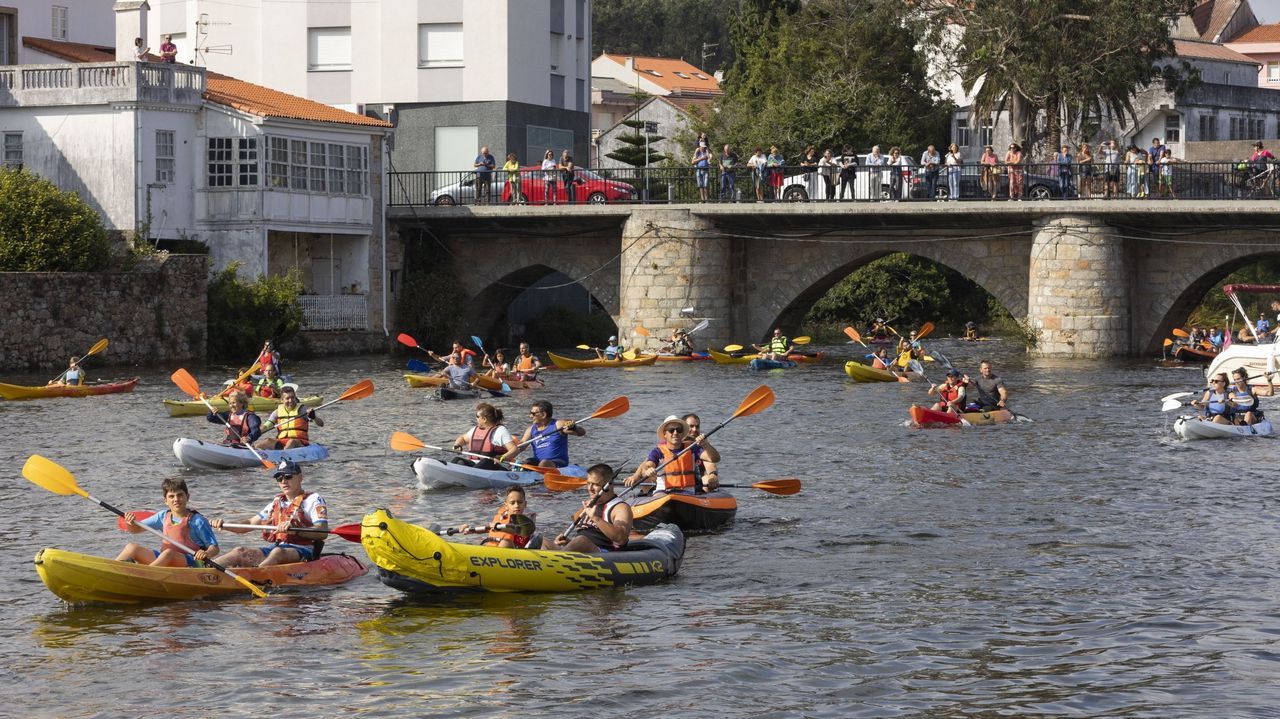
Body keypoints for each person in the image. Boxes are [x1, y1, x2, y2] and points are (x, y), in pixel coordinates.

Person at [212, 460, 328, 566]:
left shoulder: (313, 499)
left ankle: (257, 575)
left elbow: (322, 531)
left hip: (304, 550)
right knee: (239, 551)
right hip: (277, 548)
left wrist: (295, 530)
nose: (284, 481)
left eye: (288, 476)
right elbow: (250, 523)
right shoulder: (276, 503)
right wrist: (225, 525)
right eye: (279, 478)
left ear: (300, 477)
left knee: (278, 552)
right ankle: (204, 569)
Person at [116, 478, 219, 567]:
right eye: (171, 496)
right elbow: (136, 530)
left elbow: (214, 548)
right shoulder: (162, 516)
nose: (176, 499)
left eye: (180, 495)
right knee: (132, 548)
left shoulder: (197, 521)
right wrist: (130, 524)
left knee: (169, 553)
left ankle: (145, 574)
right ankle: (112, 569)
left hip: (192, 563)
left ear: (187, 497)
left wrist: (205, 553)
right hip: (165, 559)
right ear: (165, 500)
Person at [548, 464, 632, 553]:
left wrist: (596, 518)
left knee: (581, 541)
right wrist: (569, 543)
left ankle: (556, 559)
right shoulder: (588, 505)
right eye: (588, 483)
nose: (590, 488)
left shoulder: (620, 508)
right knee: (543, 541)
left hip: (607, 555)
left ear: (609, 486)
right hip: (585, 550)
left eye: (595, 484)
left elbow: (621, 538)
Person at [624, 415, 719, 493]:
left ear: (682, 432)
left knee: (706, 479)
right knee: (647, 479)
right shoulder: (659, 449)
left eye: (679, 430)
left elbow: (712, 460)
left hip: (688, 489)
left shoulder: (694, 447)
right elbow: (647, 464)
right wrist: (642, 473)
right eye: (671, 430)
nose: (675, 433)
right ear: (665, 434)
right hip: (664, 491)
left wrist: (713, 474)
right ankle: (645, 494)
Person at [504, 400, 585, 468]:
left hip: (558, 462)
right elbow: (521, 447)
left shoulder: (558, 424)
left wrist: (574, 428)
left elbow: (581, 433)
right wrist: (505, 456)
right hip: (538, 461)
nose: (530, 416)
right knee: (525, 463)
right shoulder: (530, 430)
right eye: (530, 413)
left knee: (544, 463)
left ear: (543, 415)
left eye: (533, 414)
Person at [460, 486, 536, 549]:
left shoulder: (526, 521)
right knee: (477, 540)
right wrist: (470, 529)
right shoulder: (501, 517)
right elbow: (487, 528)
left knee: (506, 542)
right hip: (493, 548)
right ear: (506, 505)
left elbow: (518, 530)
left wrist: (498, 527)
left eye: (520, 502)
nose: (516, 506)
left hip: (515, 551)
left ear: (525, 504)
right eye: (512, 503)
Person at [452, 402, 517, 470]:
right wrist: (457, 445)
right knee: (457, 460)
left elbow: (514, 450)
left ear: (484, 419)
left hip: (497, 467)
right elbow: (462, 438)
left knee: (486, 461)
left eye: (477, 416)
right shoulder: (475, 429)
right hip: (476, 465)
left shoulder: (500, 431)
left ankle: (470, 475)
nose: (476, 418)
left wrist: (503, 457)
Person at [255, 385, 322, 450]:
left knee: (292, 441)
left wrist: (314, 417)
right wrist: (252, 435)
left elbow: (321, 424)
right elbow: (266, 426)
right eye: (287, 398)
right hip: (282, 441)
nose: (290, 400)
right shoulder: (277, 412)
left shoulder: (302, 410)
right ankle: (253, 452)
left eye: (292, 397)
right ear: (282, 400)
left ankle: (284, 456)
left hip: (300, 442)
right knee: (268, 441)